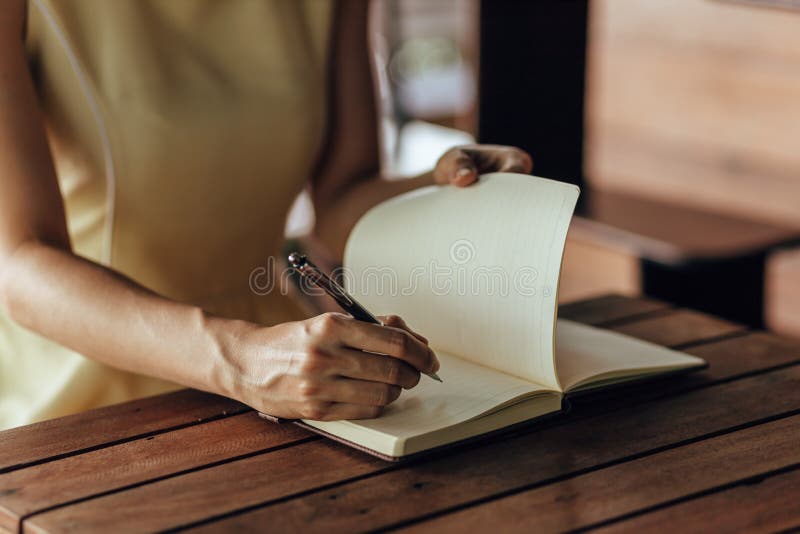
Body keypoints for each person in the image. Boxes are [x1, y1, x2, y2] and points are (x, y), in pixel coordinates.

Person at [0, 0, 533, 430]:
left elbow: (341, 206)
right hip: (82, 393)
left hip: (288, 384)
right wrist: (238, 359)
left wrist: (447, 186)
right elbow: (19, 261)